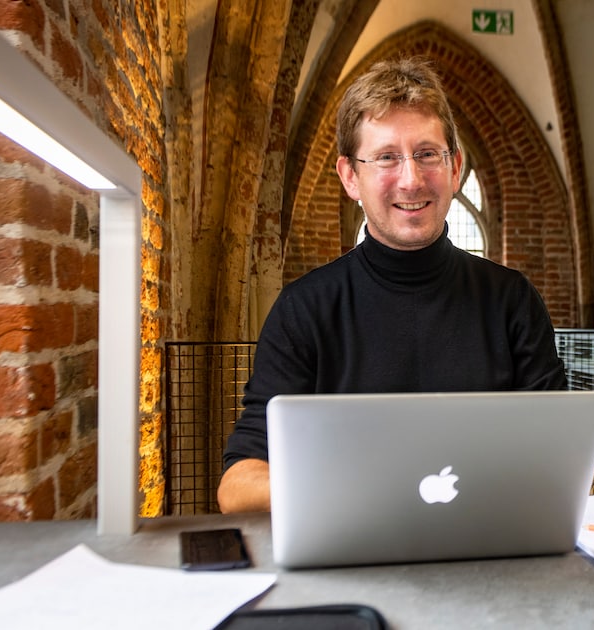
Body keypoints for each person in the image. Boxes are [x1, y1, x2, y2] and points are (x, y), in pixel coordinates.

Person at [217, 57, 568, 513]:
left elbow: (562, 452)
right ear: (350, 177)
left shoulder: (512, 301)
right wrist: (359, 490)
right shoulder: (304, 309)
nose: (411, 178)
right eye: (386, 157)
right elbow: (238, 484)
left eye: (427, 154)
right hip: (349, 559)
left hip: (489, 552)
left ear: (454, 166)